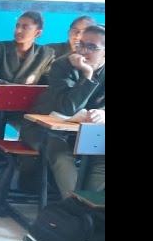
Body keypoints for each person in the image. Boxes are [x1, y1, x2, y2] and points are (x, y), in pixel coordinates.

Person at [19, 24, 106, 197]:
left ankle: (89, 204)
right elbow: (67, 108)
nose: (83, 51)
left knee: (102, 156)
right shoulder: (62, 65)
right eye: (81, 44)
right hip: (42, 129)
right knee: (61, 155)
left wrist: (103, 112)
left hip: (84, 132)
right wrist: (87, 75)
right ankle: (72, 204)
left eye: (91, 47)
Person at [0, 10, 57, 138]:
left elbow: (47, 85)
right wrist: (20, 91)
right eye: (17, 26)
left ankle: (25, 149)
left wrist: (20, 93)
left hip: (26, 106)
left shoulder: (46, 54)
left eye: (25, 27)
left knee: (38, 126)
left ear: (38, 33)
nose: (18, 30)